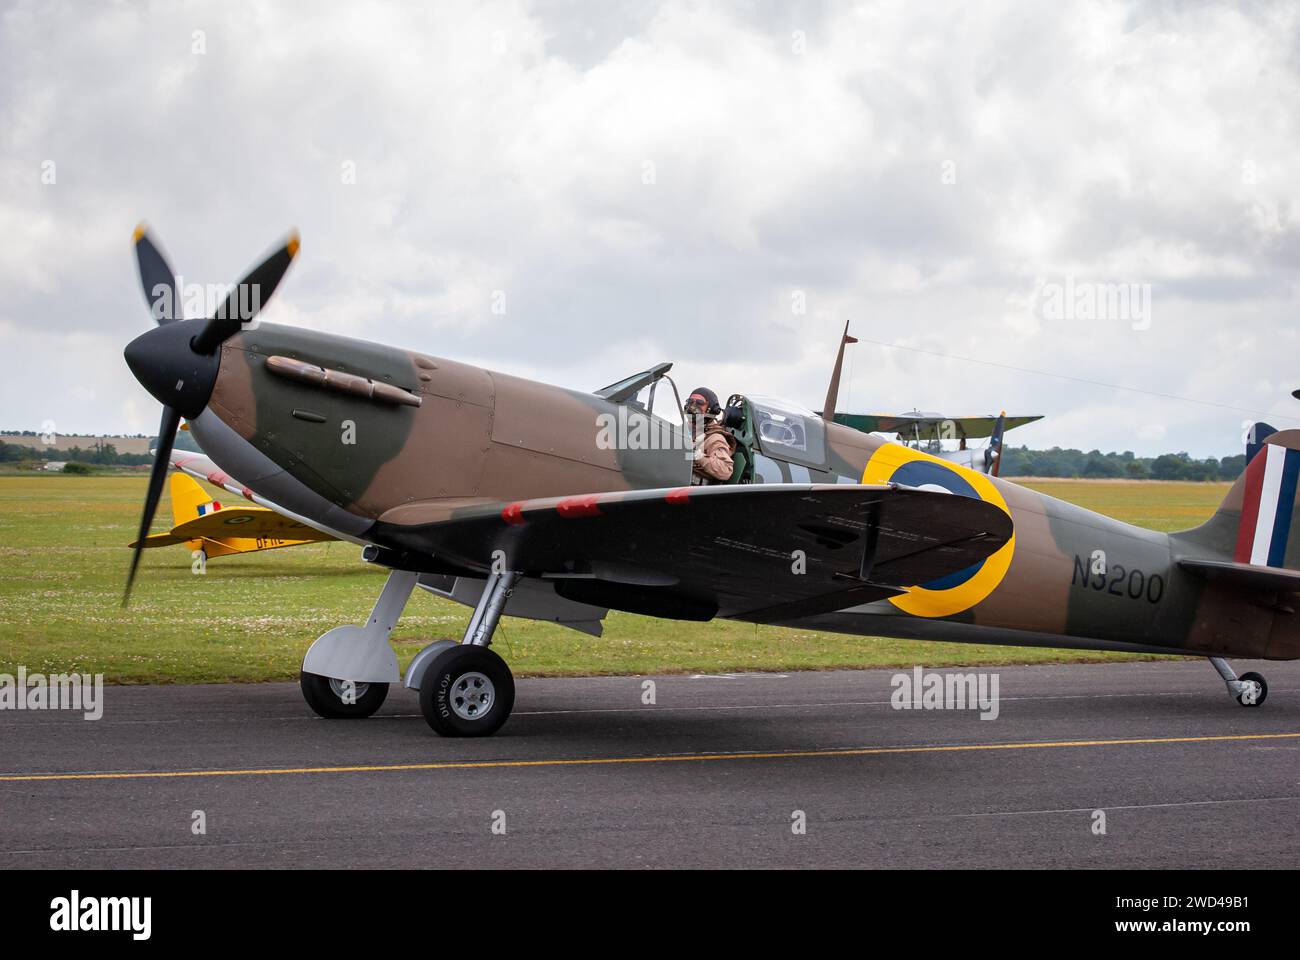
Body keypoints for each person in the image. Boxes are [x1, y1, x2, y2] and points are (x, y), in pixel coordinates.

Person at [684, 387, 736, 484]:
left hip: (693, 492)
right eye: (690, 401)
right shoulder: (682, 430)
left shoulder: (715, 438)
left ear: (711, 410)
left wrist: (697, 455)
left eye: (699, 403)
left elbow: (725, 470)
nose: (693, 406)